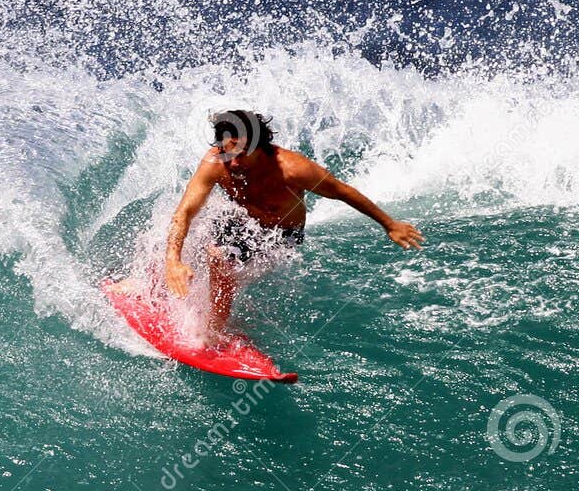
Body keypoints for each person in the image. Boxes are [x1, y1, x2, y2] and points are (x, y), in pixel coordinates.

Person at [163, 109, 423, 342]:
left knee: (219, 259)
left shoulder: (293, 169)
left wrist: (389, 224)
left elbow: (343, 192)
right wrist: (173, 260)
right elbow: (184, 212)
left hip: (279, 236)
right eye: (228, 151)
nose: (234, 163)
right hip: (241, 221)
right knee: (186, 232)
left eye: (242, 154)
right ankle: (155, 285)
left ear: (260, 147)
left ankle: (215, 332)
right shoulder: (216, 163)